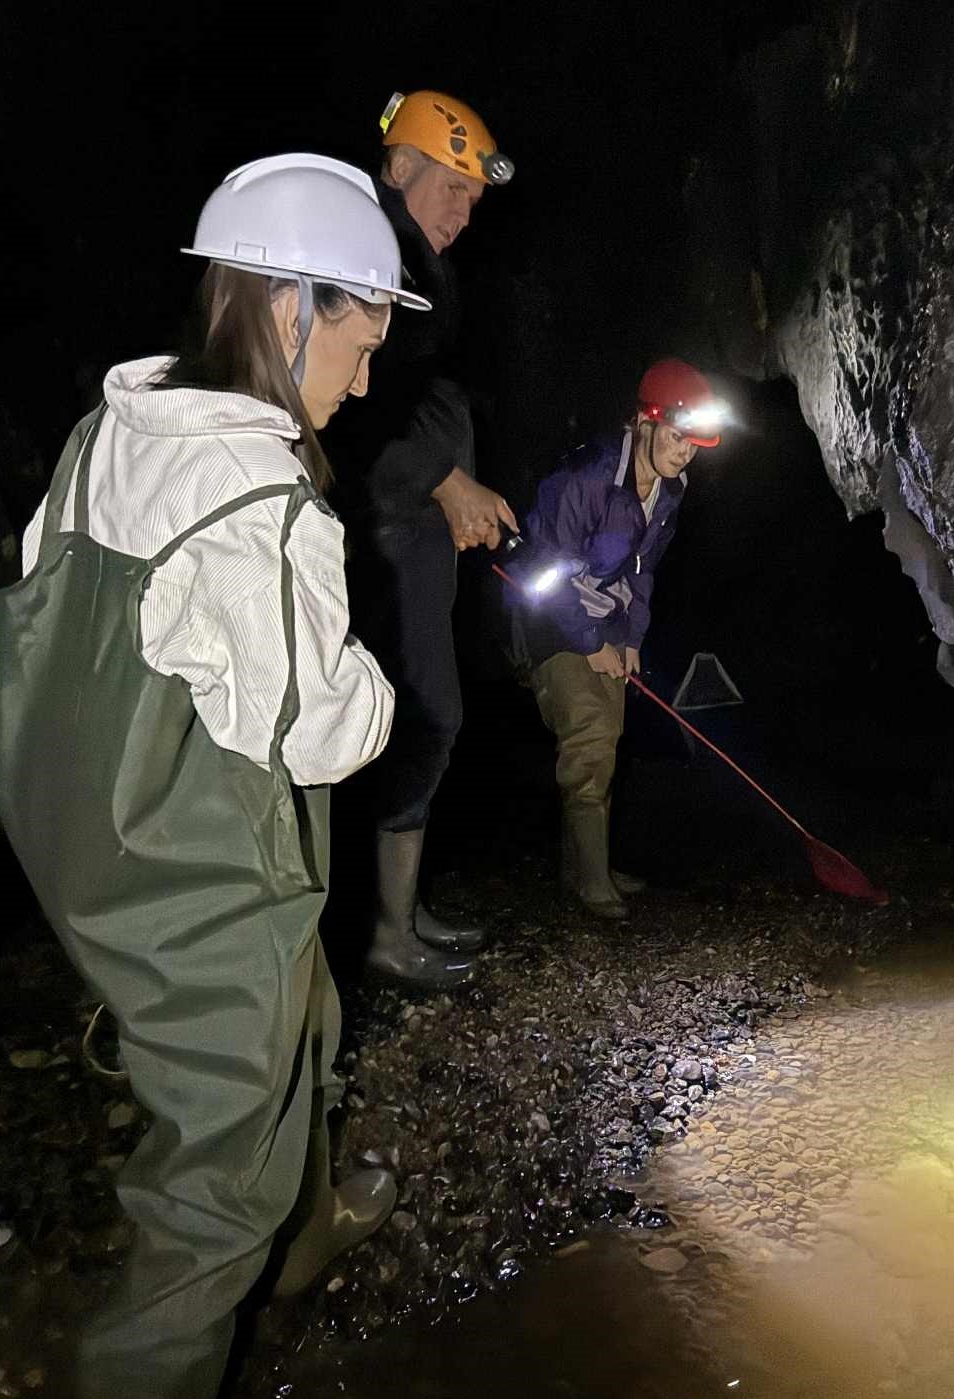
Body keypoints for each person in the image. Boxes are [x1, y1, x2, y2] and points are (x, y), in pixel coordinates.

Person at [0, 153, 429, 1399]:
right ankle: (167, 1342)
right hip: (190, 873)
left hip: (79, 843)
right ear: (295, 308)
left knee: (310, 1018)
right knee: (216, 1170)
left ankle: (304, 1238)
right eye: (366, 331)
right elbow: (324, 733)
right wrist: (383, 680)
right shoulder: (256, 491)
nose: (368, 367)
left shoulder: (102, 435)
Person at [328, 89, 518, 987]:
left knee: (424, 714)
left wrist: (457, 493)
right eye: (451, 186)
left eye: (476, 199)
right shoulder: (367, 254)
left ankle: (396, 915)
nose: (464, 210)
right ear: (398, 168)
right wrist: (449, 481)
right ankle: (378, 931)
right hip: (385, 533)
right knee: (411, 713)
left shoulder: (418, 264)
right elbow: (356, 414)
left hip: (418, 533)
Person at [511, 358, 727, 918]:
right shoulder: (586, 479)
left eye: (696, 444)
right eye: (679, 439)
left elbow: (643, 569)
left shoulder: (671, 489)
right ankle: (591, 883)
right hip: (546, 620)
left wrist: (630, 638)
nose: (686, 453)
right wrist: (590, 643)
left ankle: (586, 866)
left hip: (604, 618)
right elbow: (548, 576)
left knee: (608, 733)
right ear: (645, 422)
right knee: (591, 735)